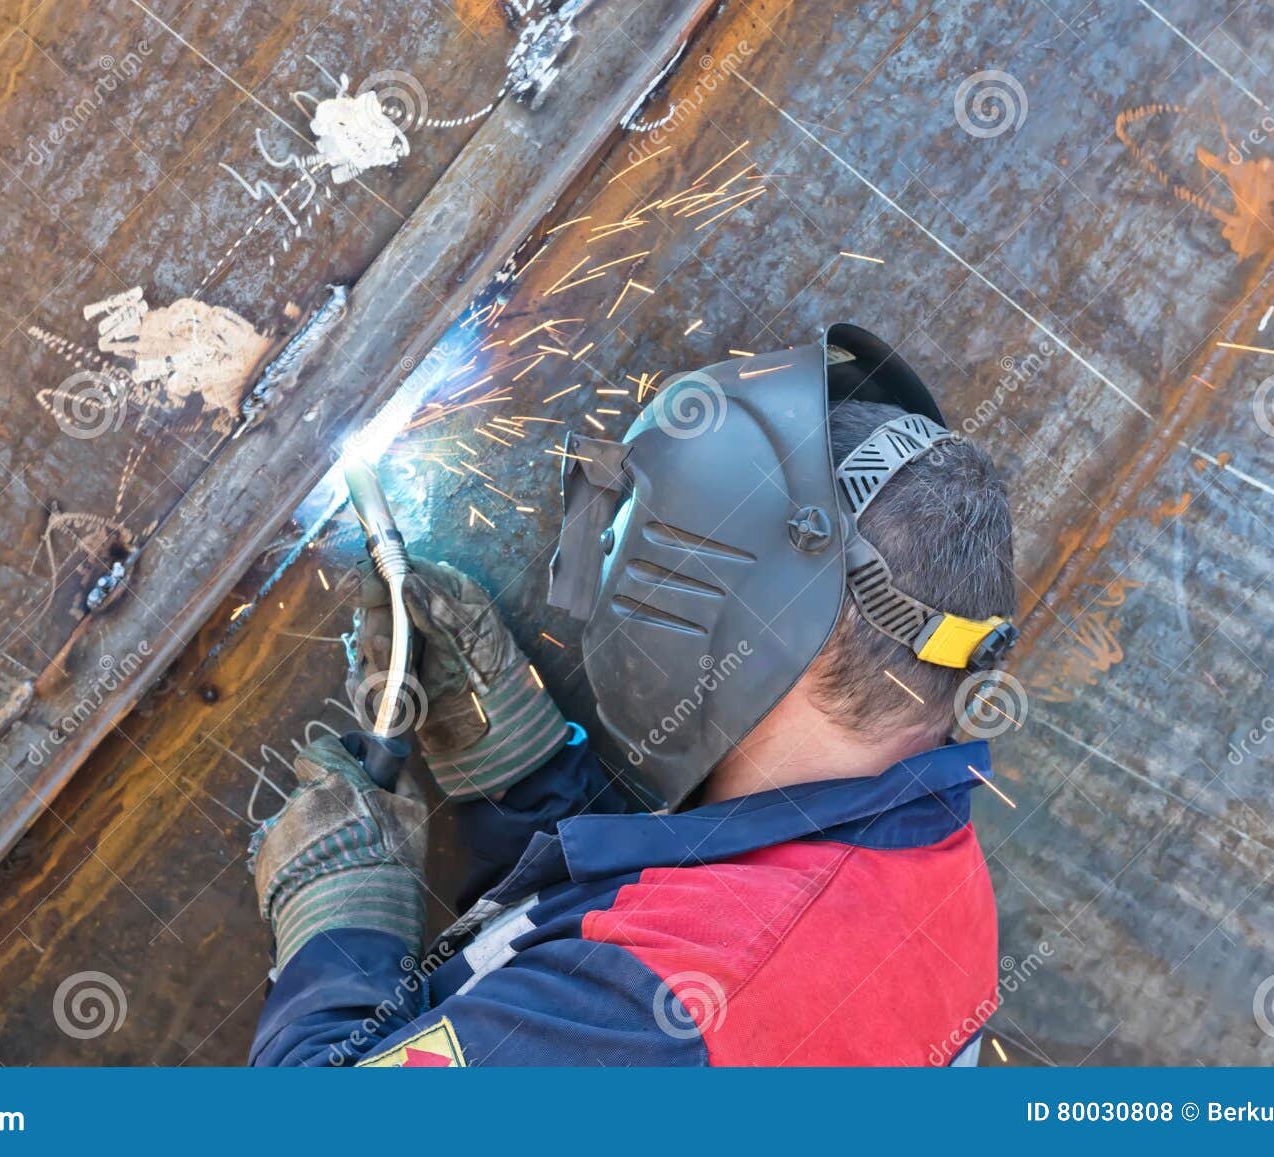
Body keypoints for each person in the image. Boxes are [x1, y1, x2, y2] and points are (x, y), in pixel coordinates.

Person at [248, 328, 1017, 1066]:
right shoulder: (920, 874)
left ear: (760, 615)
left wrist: (337, 926)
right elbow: (612, 966)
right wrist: (517, 769)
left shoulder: (678, 1010)